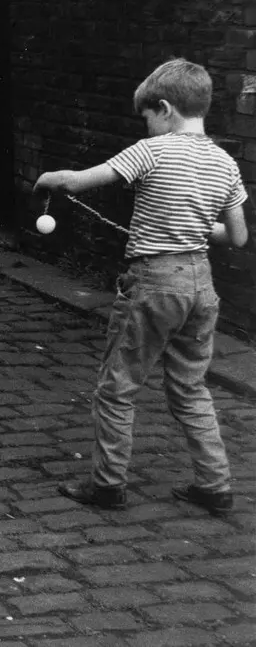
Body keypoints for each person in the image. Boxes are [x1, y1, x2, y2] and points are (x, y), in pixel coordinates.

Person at [34, 59, 249, 515]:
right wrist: (195, 224)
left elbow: (77, 181)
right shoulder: (225, 162)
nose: (147, 127)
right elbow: (238, 236)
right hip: (200, 286)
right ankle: (215, 485)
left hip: (154, 284)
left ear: (165, 108)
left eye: (147, 117)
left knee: (118, 387)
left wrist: (47, 180)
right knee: (191, 388)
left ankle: (108, 484)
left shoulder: (151, 151)